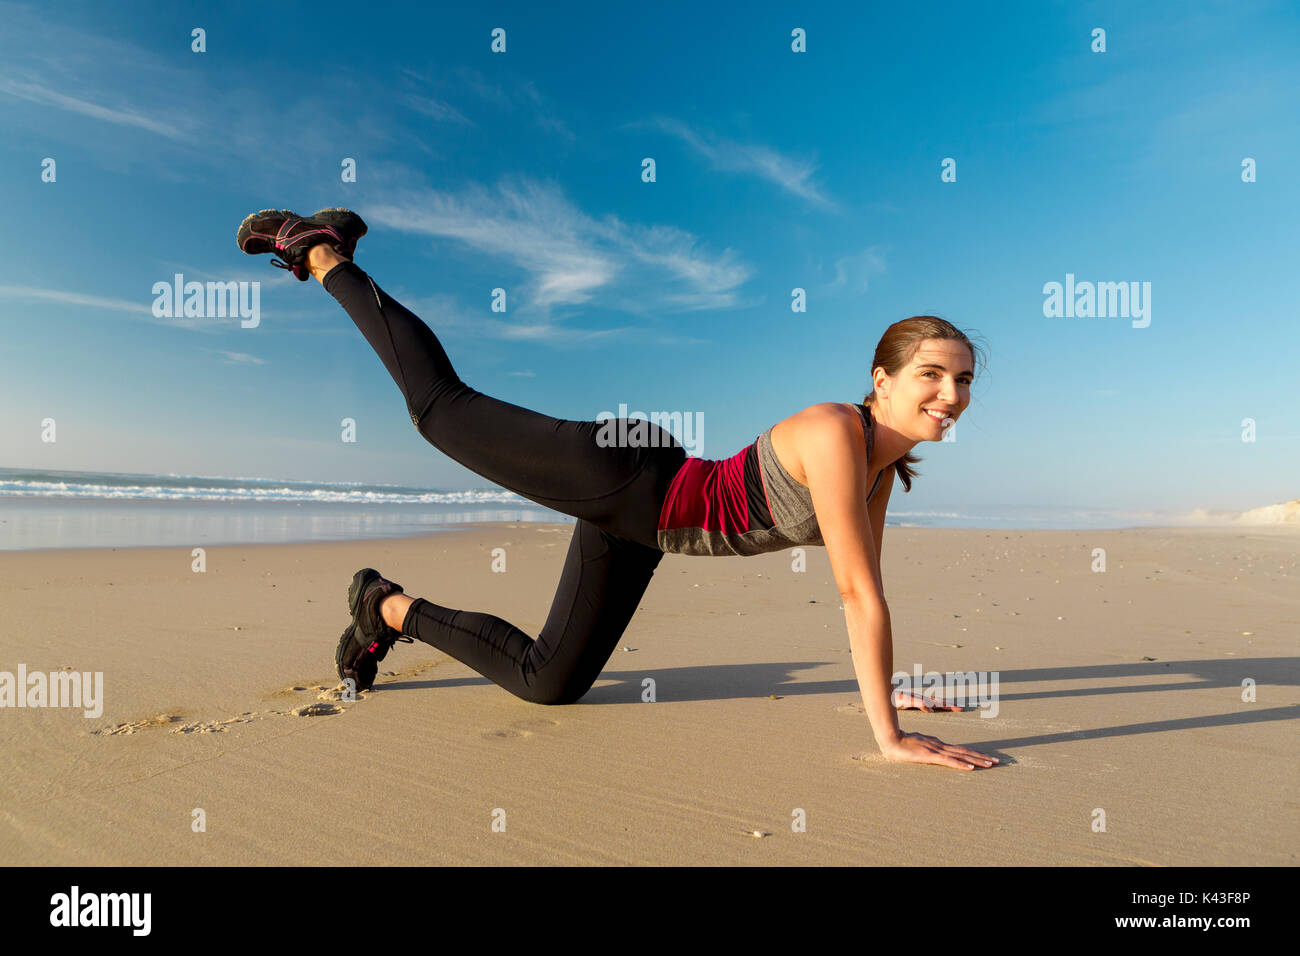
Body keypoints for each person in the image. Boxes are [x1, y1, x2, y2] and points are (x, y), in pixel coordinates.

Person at [236, 207, 999, 771]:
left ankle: (387, 606)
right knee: (439, 409)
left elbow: (870, 590)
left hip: (644, 525)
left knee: (549, 683)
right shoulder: (837, 433)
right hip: (627, 476)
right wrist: (887, 736)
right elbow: (857, 595)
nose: (950, 393)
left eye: (962, 379)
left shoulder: (880, 471)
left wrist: (891, 690)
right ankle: (321, 254)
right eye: (931, 374)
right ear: (882, 379)